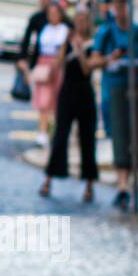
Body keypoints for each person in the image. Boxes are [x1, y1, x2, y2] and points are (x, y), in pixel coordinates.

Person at [90, 0, 138, 209]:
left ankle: (129, 185)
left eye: (125, 4)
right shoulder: (106, 32)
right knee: (119, 136)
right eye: (118, 4)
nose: (122, 9)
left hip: (136, 92)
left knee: (137, 136)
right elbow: (94, 60)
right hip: (114, 92)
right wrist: (111, 59)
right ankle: (123, 186)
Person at [39, 10, 98, 202]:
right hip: (67, 92)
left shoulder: (93, 43)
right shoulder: (69, 40)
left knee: (87, 139)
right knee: (60, 135)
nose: (80, 23)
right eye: (78, 20)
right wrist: (67, 43)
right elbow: (58, 64)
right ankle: (48, 179)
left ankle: (89, 184)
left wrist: (80, 50)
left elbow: (87, 69)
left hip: (85, 94)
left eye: (83, 20)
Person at [28, 1, 69, 145]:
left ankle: (54, 132)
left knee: (56, 100)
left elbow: (62, 51)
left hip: (55, 65)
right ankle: (42, 131)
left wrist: (55, 66)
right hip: (43, 63)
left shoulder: (64, 30)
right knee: (43, 101)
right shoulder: (45, 28)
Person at [17, 0, 53, 76]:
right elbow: (26, 39)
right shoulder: (36, 18)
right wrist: (22, 58)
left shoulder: (58, 17)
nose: (43, 0)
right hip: (39, 58)